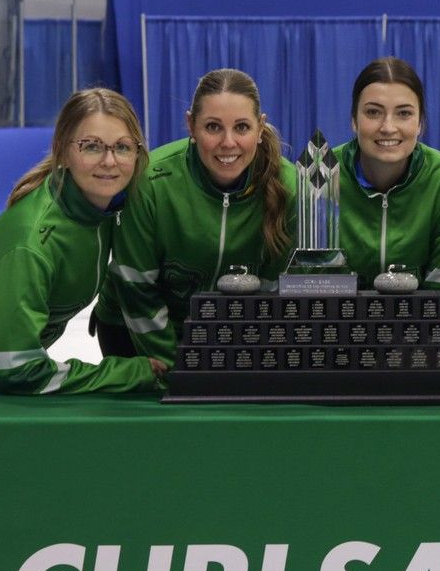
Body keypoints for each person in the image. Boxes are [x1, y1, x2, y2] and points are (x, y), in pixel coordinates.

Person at [0, 88, 165, 394]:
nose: (109, 161)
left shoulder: (102, 207)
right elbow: (22, 372)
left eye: (122, 147)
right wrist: (127, 371)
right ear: (63, 151)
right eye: (91, 147)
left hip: (1, 357)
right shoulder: (31, 243)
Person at [92, 68, 296, 365]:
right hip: (134, 330)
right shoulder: (150, 182)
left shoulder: (288, 187)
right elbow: (136, 290)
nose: (228, 143)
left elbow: (273, 294)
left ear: (260, 127)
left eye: (241, 127)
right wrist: (179, 369)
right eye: (213, 127)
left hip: (231, 338)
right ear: (191, 125)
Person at [333, 57, 440, 326]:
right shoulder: (320, 176)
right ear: (354, 120)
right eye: (373, 112)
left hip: (419, 351)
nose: (388, 127)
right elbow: (311, 289)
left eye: (404, 113)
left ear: (420, 122)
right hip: (336, 348)